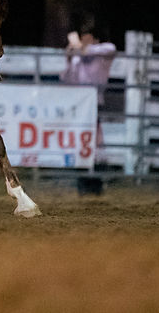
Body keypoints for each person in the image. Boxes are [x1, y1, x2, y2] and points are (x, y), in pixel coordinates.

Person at [60, 27, 117, 195]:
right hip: (80, 104)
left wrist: (79, 47)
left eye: (87, 39)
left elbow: (109, 48)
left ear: (96, 40)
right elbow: (67, 78)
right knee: (82, 143)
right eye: (82, 39)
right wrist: (70, 60)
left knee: (95, 143)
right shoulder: (79, 57)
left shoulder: (103, 52)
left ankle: (95, 183)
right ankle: (84, 184)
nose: (84, 42)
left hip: (94, 103)